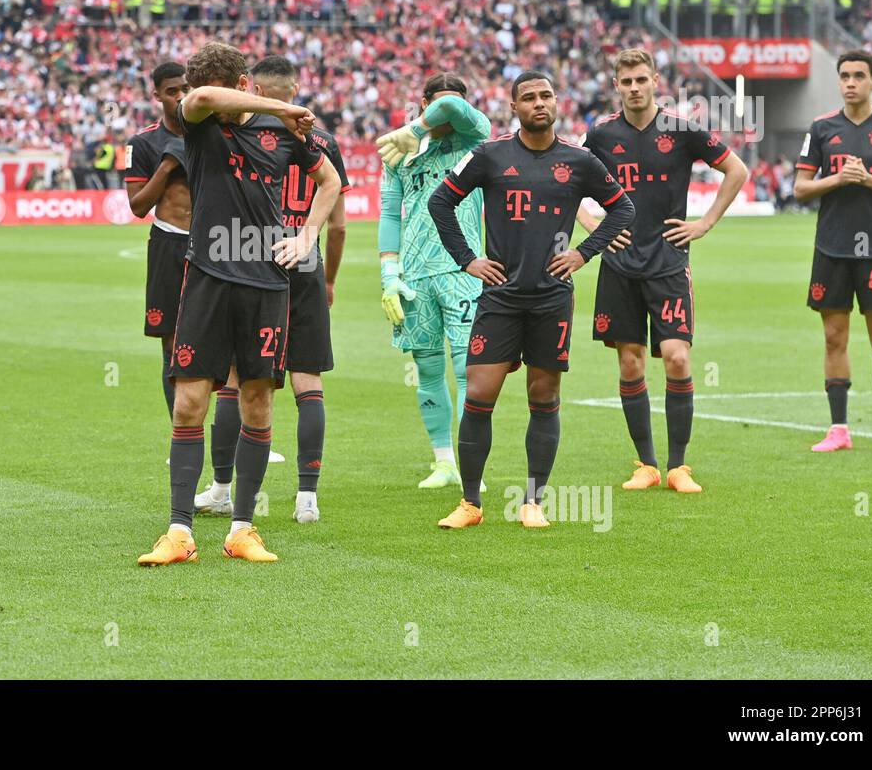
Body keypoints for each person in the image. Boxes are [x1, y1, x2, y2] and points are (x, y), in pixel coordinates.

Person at [137, 42, 340, 566]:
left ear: (245, 85)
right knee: (189, 402)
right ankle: (179, 531)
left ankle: (242, 529)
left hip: (267, 280)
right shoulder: (201, 122)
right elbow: (202, 94)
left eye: (234, 94)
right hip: (206, 275)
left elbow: (330, 181)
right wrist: (286, 107)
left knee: (257, 400)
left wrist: (308, 235)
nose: (218, 104)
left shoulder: (284, 137)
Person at [428, 71, 635, 530]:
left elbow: (624, 207)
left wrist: (583, 253)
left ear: (556, 102)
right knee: (479, 396)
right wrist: (468, 260)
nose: (539, 103)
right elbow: (440, 203)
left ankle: (533, 501)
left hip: (551, 299)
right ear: (514, 107)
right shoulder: (490, 154)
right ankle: (470, 504)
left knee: (544, 397)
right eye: (529, 97)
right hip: (499, 297)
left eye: (546, 95)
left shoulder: (579, 161)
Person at [577, 48, 748, 493]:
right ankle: (646, 464)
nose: (634, 88)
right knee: (630, 363)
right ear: (616, 85)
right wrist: (592, 223)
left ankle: (678, 466)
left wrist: (705, 223)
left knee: (676, 357)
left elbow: (737, 169)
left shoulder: (683, 129)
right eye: (626, 81)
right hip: (618, 264)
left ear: (656, 81)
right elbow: (564, 177)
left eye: (641, 80)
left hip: (669, 262)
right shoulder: (599, 135)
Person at [193, 55, 350, 524]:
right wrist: (327, 276)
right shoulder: (321, 138)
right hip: (304, 258)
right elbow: (338, 224)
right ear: (296, 87)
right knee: (308, 379)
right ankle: (307, 498)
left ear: (251, 90)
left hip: (256, 257)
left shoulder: (236, 131)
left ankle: (222, 488)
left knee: (238, 379)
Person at [374, 73, 490, 489]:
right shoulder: (401, 155)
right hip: (416, 274)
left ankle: (471, 466)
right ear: (421, 101)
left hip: (465, 270)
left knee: (467, 369)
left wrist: (413, 128)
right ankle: (443, 462)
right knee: (426, 368)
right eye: (434, 104)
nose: (444, 112)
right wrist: (390, 275)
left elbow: (454, 109)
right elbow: (390, 215)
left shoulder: (475, 137)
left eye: (450, 103)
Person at [794, 50, 872, 454]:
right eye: (844, 75)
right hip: (831, 246)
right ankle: (839, 429)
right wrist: (838, 178)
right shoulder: (822, 128)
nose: (850, 82)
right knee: (833, 337)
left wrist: (870, 179)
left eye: (859, 76)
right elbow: (801, 188)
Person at [124, 61, 192, 418]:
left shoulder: (213, 133)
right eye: (171, 91)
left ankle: (235, 438)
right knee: (172, 344)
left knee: (229, 343)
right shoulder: (143, 143)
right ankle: (180, 435)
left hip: (215, 243)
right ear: (156, 96)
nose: (180, 97)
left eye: (186, 89)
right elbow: (137, 206)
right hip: (169, 243)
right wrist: (166, 167)